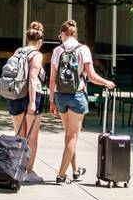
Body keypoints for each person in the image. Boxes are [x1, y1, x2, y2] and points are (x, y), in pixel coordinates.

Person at [49, 19, 115, 185]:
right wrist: (107, 82)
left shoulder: (57, 51)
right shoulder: (83, 49)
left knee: (69, 136)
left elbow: (51, 80)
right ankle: (61, 175)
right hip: (77, 96)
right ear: (74, 34)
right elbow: (92, 76)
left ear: (63, 34)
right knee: (72, 137)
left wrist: (51, 101)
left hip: (60, 96)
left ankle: (76, 171)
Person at [4, 21, 46, 184]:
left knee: (19, 135)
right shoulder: (36, 55)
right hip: (30, 97)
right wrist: (33, 103)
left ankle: (17, 168)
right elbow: (33, 79)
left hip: (14, 97)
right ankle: (28, 171)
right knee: (32, 138)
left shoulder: (18, 52)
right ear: (40, 41)